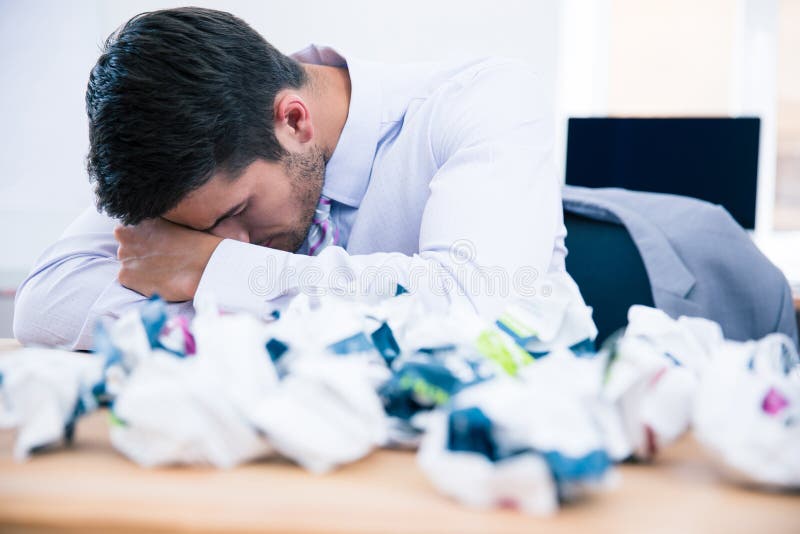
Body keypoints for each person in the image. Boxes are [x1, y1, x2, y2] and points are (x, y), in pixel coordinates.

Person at [12, 7, 566, 350]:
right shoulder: (182, 145)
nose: (226, 240)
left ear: (295, 121)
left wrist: (217, 273)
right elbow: (46, 305)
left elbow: (476, 313)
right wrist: (269, 321)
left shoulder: (487, 100)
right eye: (197, 233)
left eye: (236, 212)